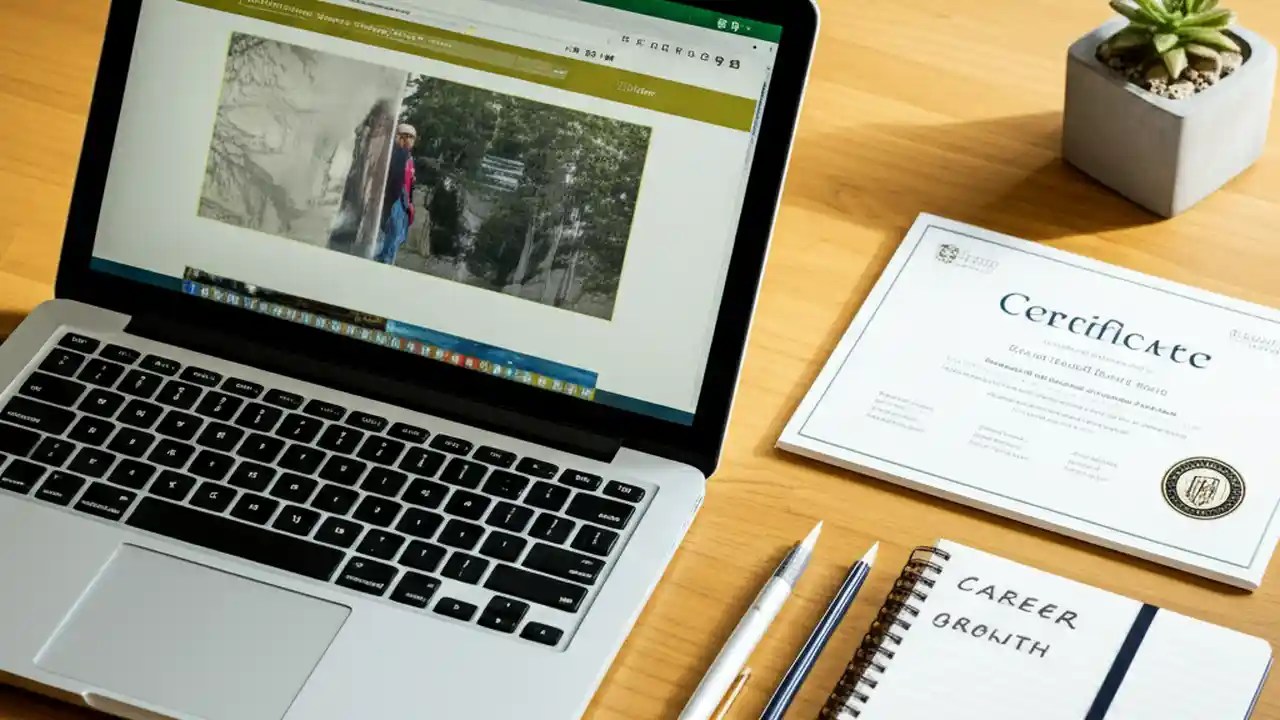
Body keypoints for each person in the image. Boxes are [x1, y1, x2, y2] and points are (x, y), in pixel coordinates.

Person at [375, 123, 417, 264]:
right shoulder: (397, 154)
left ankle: (385, 259)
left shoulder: (409, 158)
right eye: (406, 136)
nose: (409, 140)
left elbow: (409, 182)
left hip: (403, 203)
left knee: (394, 238)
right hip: (395, 200)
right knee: (389, 237)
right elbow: (393, 180)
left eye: (412, 137)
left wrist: (409, 202)